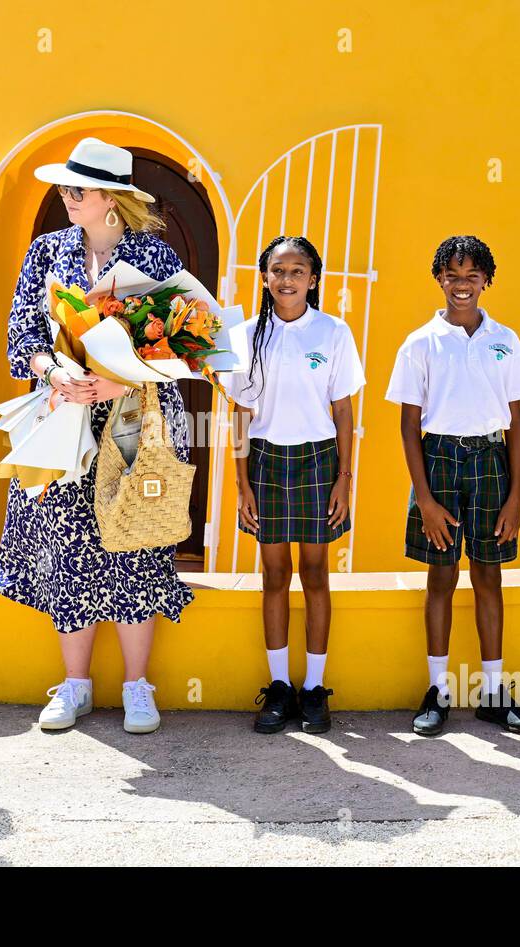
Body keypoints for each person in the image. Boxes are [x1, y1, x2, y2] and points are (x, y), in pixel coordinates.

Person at [0, 137, 193, 734]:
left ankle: (137, 687)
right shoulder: (46, 252)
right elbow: (23, 335)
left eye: (78, 187)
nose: (67, 195)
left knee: (136, 538)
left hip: (137, 418)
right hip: (65, 416)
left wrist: (118, 383)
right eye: (65, 186)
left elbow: (187, 343)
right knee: (66, 546)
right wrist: (57, 373)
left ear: (112, 197)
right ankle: (75, 686)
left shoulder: (154, 258)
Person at [387, 236, 520, 736]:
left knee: (489, 577)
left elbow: (516, 420)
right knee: (441, 577)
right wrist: (425, 499)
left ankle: (495, 691)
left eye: (472, 276)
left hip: (491, 461)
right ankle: (439, 691)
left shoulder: (505, 340)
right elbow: (409, 425)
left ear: (486, 280)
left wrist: (515, 495)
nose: (462, 285)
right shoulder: (420, 343)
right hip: (439, 462)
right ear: (439, 280)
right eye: (452, 276)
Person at [226, 236, 365, 735]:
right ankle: (280, 687)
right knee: (274, 574)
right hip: (265, 461)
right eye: (278, 270)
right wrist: (241, 485)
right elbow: (239, 414)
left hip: (318, 460)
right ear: (265, 277)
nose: (287, 279)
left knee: (316, 572)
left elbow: (344, 409)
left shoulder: (333, 332)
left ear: (313, 278)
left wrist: (344, 480)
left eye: (298, 270)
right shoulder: (245, 336)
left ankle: (314, 690)